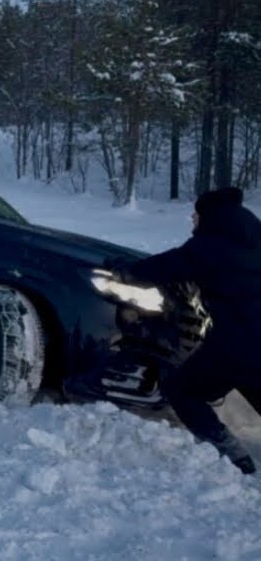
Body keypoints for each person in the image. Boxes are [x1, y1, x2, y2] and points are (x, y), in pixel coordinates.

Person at [111, 186, 261, 475]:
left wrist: (122, 269)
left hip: (235, 347)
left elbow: (162, 267)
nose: (193, 219)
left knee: (183, 390)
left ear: (211, 216)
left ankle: (231, 454)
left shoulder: (208, 245)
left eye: (196, 215)